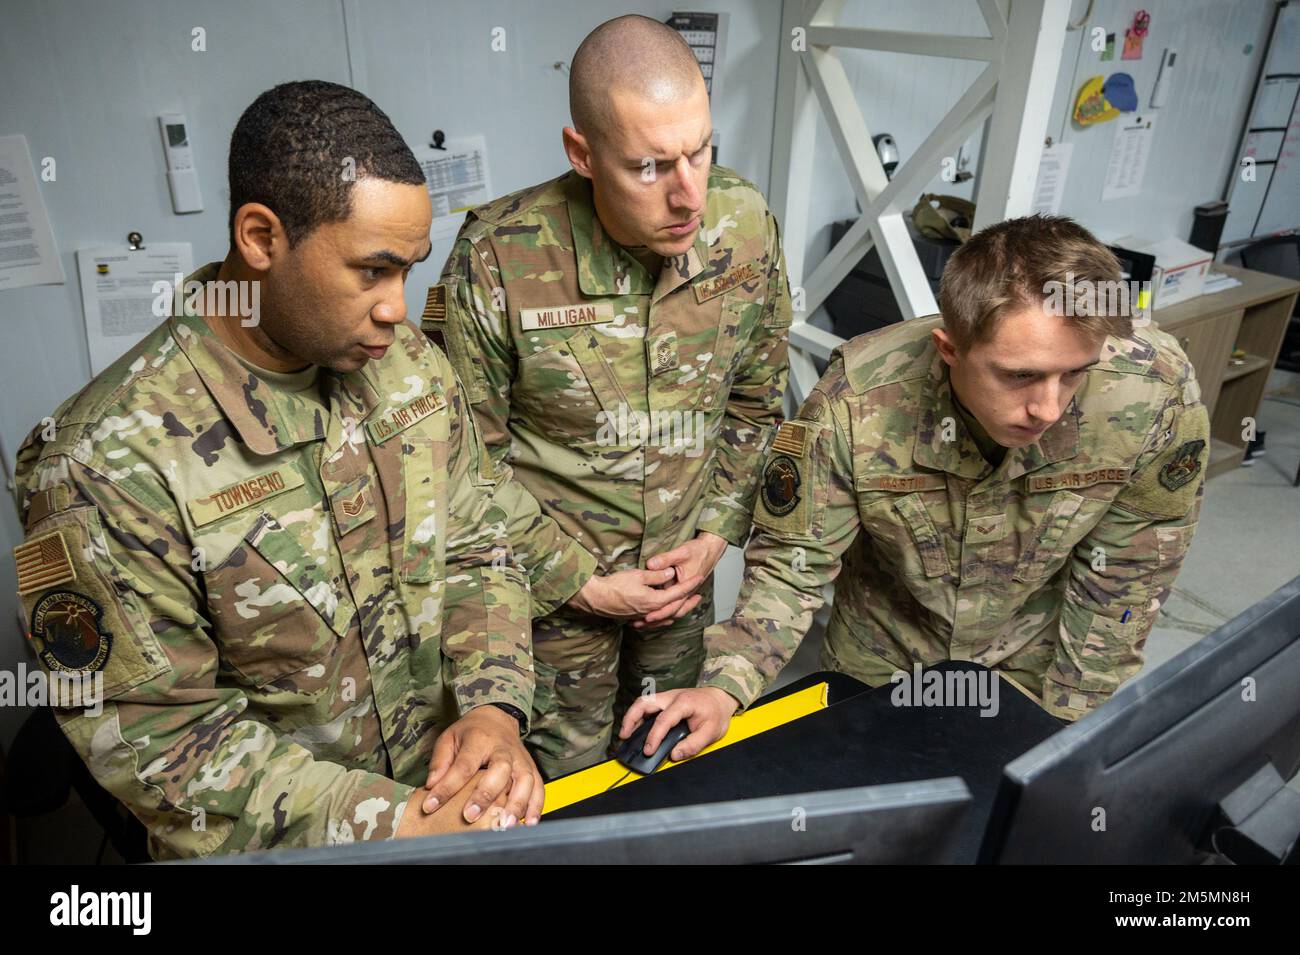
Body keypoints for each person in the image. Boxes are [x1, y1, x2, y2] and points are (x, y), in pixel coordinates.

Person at [10, 81, 579, 858]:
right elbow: (166, 741)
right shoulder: (102, 465)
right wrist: (391, 825)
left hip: (446, 809)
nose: (398, 310)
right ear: (260, 237)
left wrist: (493, 710)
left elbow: (479, 546)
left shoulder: (408, 368)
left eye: (409, 270)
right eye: (371, 271)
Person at [622, 215, 1210, 760]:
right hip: (883, 660)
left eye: (1073, 374)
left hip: (1036, 656)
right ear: (949, 350)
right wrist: (726, 687)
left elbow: (1126, 577)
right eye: (1020, 375)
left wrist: (1071, 731)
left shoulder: (1152, 393)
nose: (1048, 407)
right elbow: (793, 564)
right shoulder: (855, 404)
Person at [425, 14, 793, 778]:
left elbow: (756, 404)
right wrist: (582, 582)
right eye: (652, 166)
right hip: (552, 607)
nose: (689, 193)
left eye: (700, 150)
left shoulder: (745, 226)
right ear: (582, 154)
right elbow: (464, 467)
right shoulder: (498, 258)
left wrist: (719, 532)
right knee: (570, 793)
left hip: (682, 589)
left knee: (675, 768)